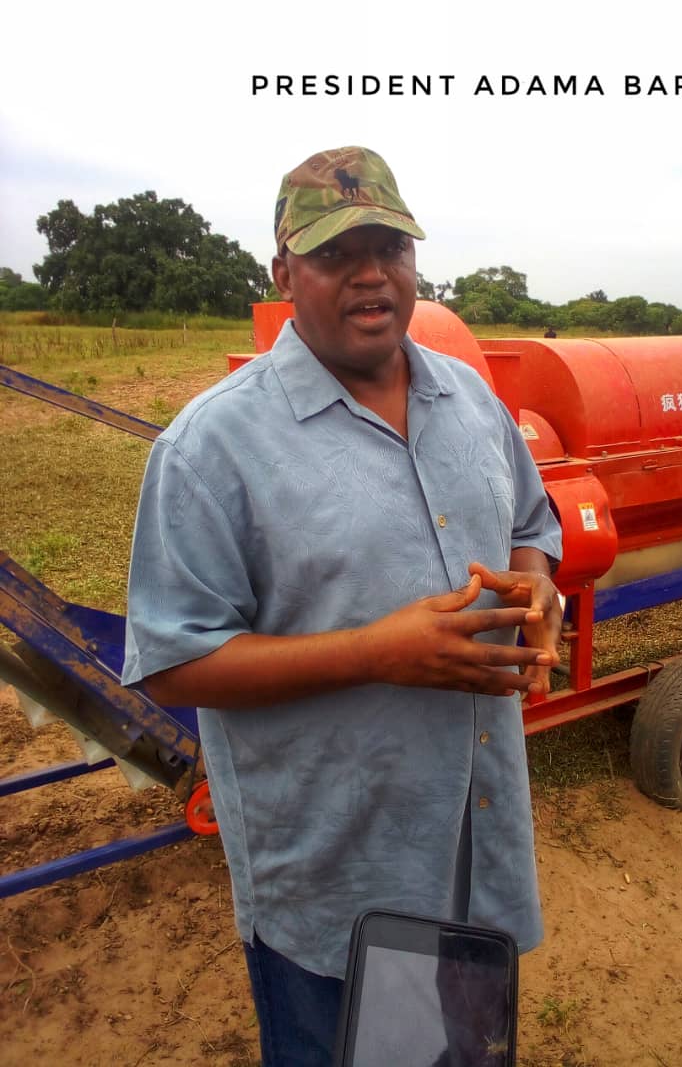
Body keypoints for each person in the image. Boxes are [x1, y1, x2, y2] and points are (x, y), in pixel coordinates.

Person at [122, 146, 563, 1066]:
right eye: (336, 253)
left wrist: (540, 589)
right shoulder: (212, 449)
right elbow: (171, 659)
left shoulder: (472, 400)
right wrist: (375, 652)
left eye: (390, 248)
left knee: (463, 1054)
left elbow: (533, 521)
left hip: (478, 857)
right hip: (339, 882)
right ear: (283, 272)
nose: (371, 274)